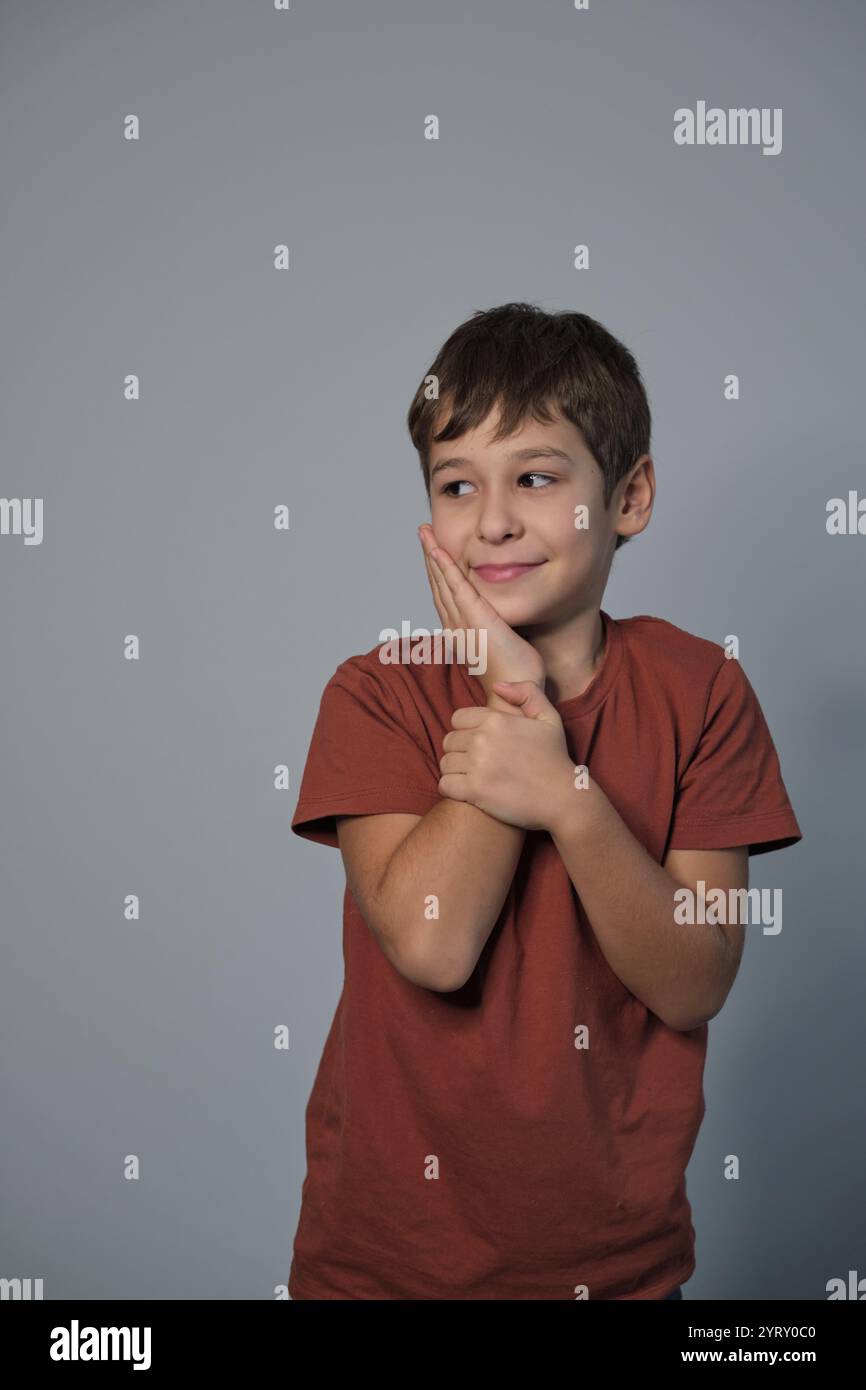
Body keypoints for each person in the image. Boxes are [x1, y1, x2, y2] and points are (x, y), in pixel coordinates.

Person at [287, 302, 802, 1300]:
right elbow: (433, 945)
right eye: (455, 485)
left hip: (614, 1270)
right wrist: (511, 691)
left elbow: (692, 980)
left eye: (533, 476)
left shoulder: (701, 691)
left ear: (628, 495)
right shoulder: (376, 691)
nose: (491, 521)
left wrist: (566, 796)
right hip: (385, 1267)